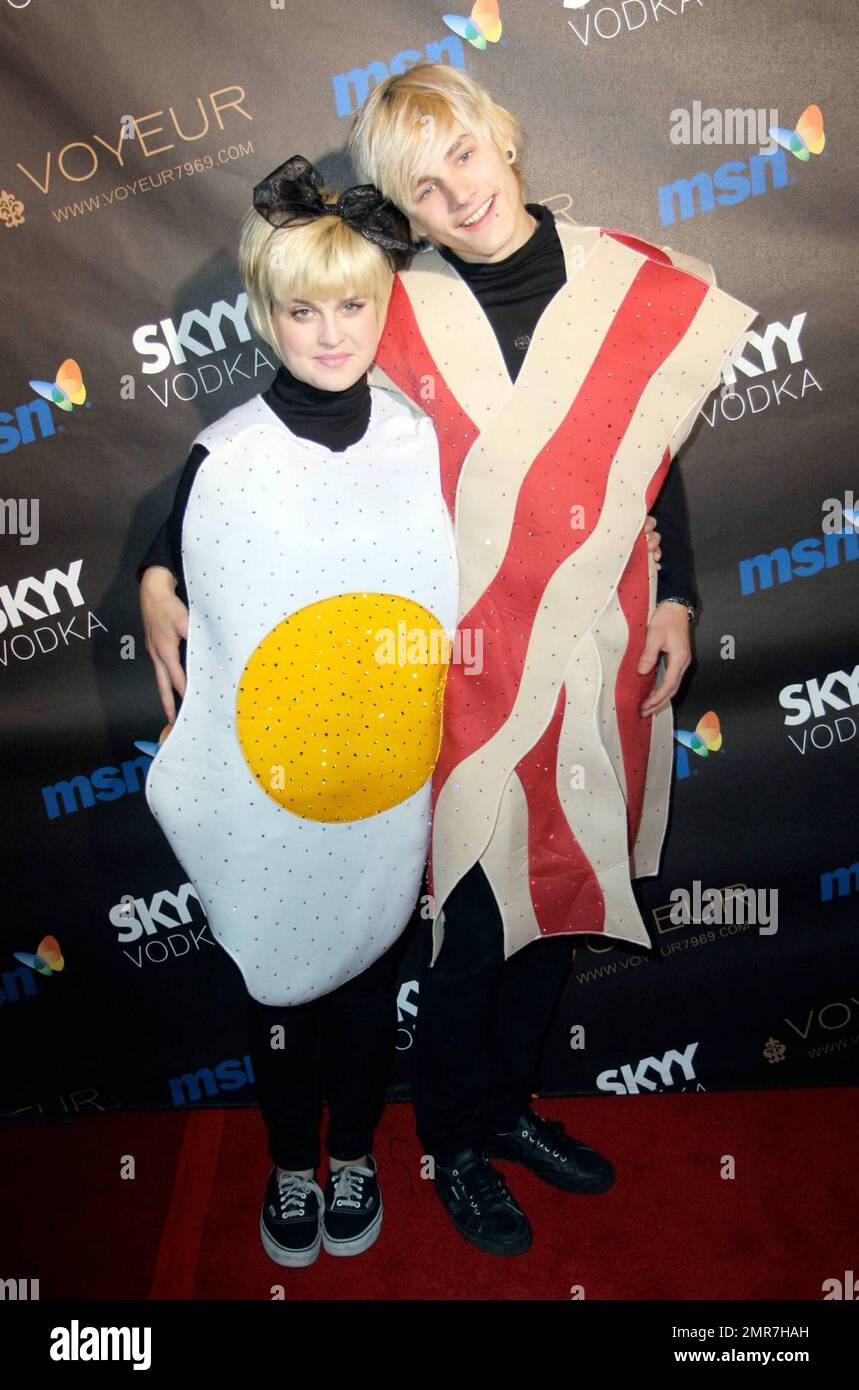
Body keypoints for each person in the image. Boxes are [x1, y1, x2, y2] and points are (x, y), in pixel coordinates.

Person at [343, 63, 759, 1257]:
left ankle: (510, 1107)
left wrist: (677, 591)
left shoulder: (632, 284)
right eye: (420, 188)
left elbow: (648, 457)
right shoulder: (394, 309)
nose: (454, 194)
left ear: (503, 140)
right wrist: (167, 564)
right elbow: (300, 436)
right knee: (470, 925)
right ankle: (453, 1142)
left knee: (558, 903)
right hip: (462, 664)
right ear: (403, 212)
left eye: (463, 157)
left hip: (598, 641)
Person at [139, 154, 461, 1266]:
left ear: (386, 302)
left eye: (354, 304)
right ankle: (289, 1164)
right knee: (280, 992)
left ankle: (359, 1150)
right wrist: (148, 574)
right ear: (264, 312)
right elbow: (175, 547)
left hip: (383, 788)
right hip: (273, 801)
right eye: (301, 308)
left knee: (370, 991)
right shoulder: (224, 459)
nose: (330, 333)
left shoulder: (423, 439)